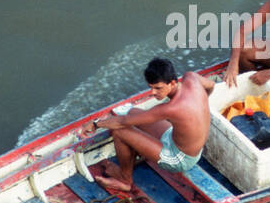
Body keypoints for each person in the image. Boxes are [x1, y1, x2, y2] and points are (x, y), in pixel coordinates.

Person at [85, 57, 214, 192]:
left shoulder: (171, 108)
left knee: (119, 132)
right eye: (151, 87)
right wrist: (199, 106)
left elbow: (122, 122)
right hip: (185, 144)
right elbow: (211, 85)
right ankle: (135, 154)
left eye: (158, 88)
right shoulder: (192, 78)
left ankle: (125, 180)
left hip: (179, 159)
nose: (153, 93)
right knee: (133, 112)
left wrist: (95, 125)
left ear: (173, 82)